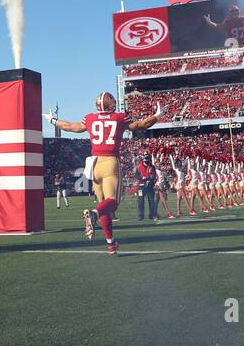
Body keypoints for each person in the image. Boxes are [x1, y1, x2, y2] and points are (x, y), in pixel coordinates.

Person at [47, 92, 162, 254]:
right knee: (112, 203)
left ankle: (110, 243)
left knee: (103, 204)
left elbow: (70, 127)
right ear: (111, 105)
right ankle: (93, 214)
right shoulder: (119, 117)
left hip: (95, 165)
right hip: (110, 162)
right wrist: (157, 116)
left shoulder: (90, 118)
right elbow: (141, 125)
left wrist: (53, 120)